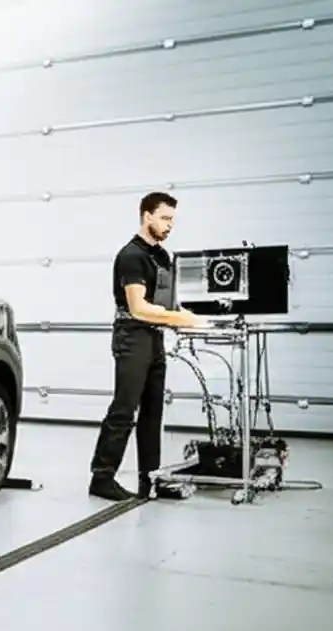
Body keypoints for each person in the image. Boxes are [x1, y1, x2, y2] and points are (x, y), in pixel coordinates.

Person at [88, 192, 205, 502]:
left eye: (172, 220)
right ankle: (101, 477)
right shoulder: (131, 256)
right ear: (146, 216)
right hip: (132, 335)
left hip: (154, 337)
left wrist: (188, 316)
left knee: (153, 412)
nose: (169, 226)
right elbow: (138, 307)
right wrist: (182, 318)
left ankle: (149, 479)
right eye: (165, 218)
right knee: (124, 408)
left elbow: (166, 301)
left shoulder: (162, 257)